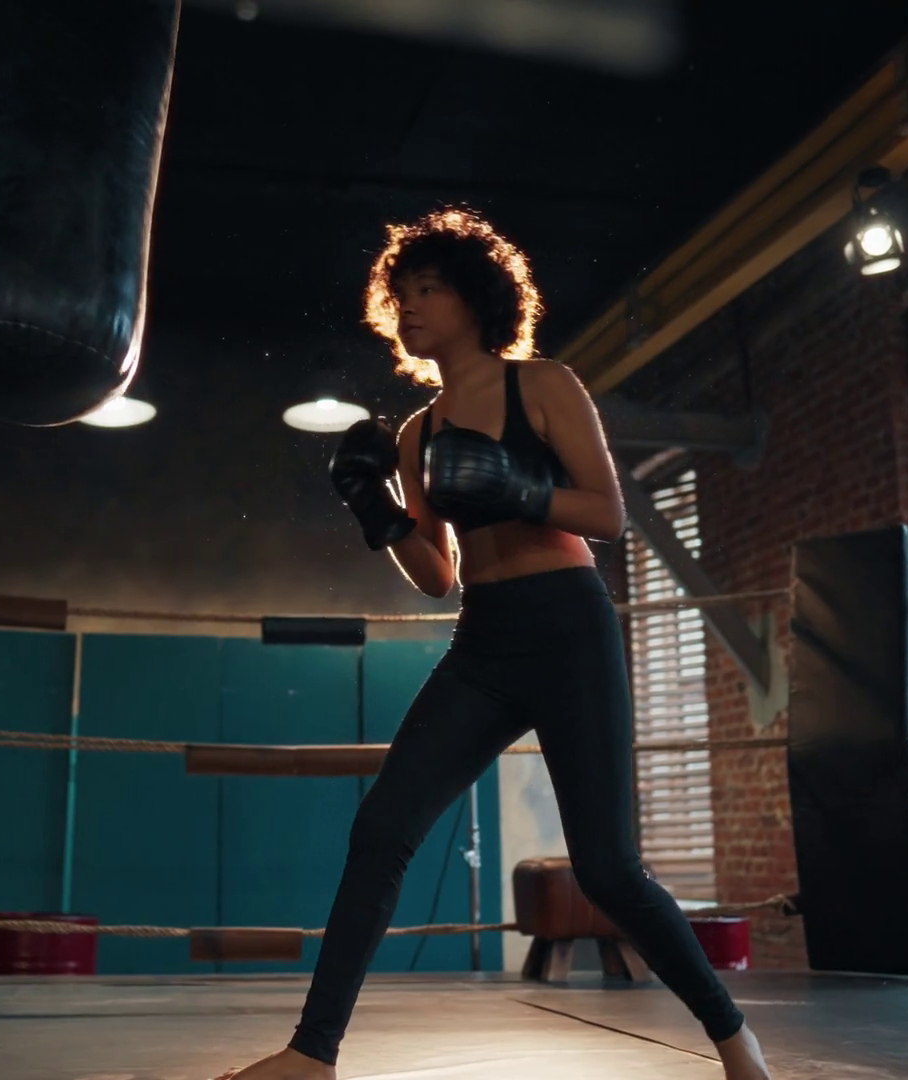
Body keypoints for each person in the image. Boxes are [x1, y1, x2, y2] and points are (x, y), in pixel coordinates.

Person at [215, 209, 772, 1080]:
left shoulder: (541, 386)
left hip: (568, 625)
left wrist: (519, 487)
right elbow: (437, 573)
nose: (411, 307)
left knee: (610, 871)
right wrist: (381, 513)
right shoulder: (418, 433)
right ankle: (311, 1056)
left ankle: (736, 1042)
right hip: (484, 643)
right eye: (400, 296)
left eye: (427, 289)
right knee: (381, 830)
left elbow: (609, 515)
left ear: (476, 295)